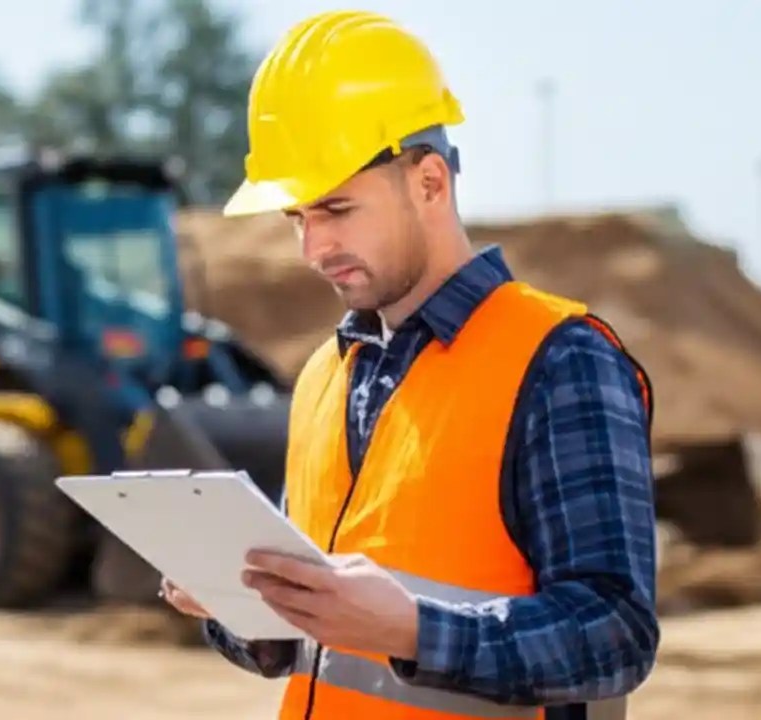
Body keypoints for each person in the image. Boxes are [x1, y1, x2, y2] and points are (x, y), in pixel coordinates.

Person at [160, 10, 659, 720]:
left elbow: (616, 636)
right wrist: (236, 605)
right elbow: (308, 643)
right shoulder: (322, 380)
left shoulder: (559, 359)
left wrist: (413, 631)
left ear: (430, 183)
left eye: (336, 208)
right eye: (298, 218)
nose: (313, 248)